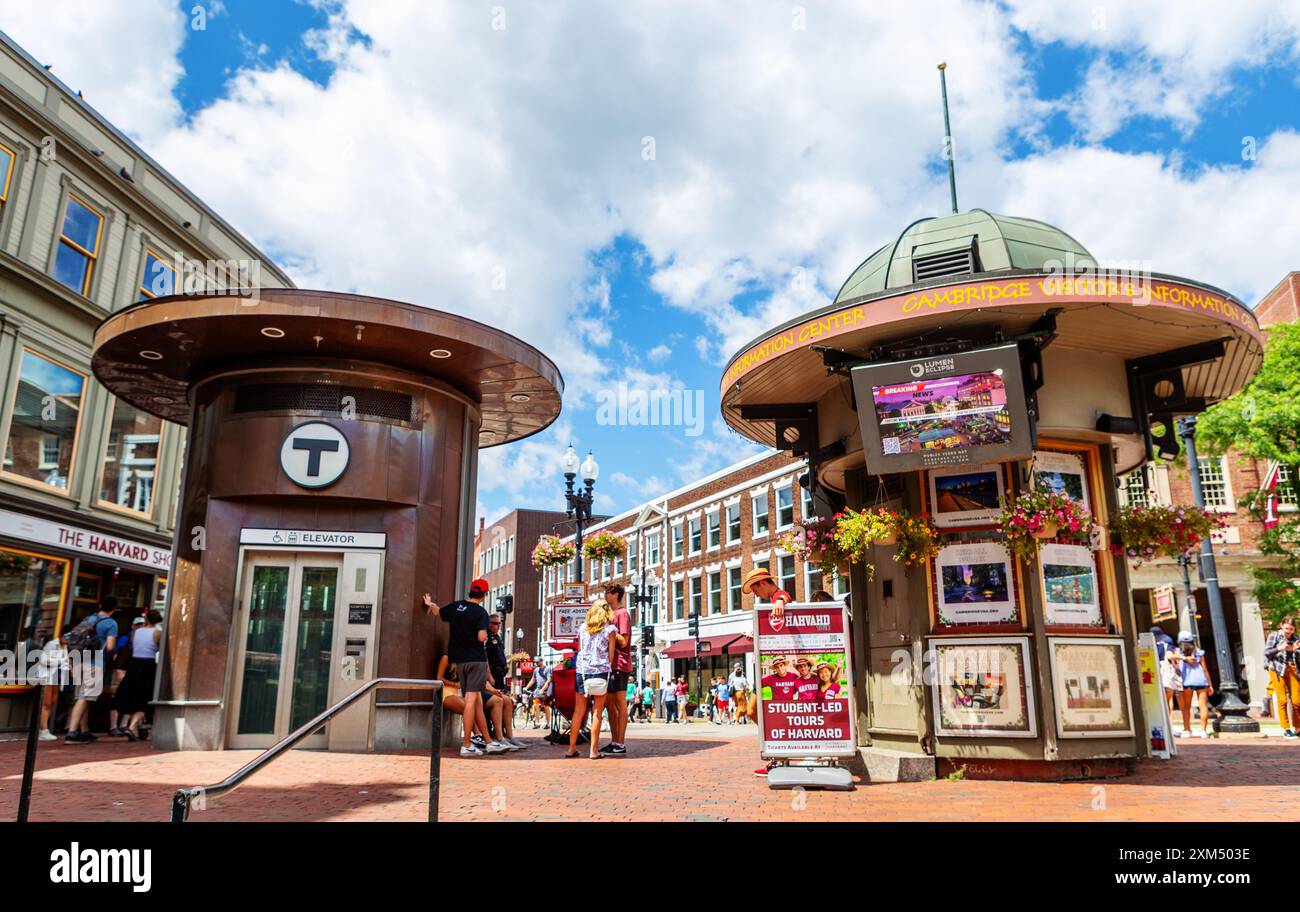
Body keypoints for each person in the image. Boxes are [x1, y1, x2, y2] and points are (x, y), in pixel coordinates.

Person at [423, 579, 506, 757]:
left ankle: (488, 741)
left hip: (460, 660)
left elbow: (438, 612)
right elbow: (482, 637)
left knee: (476, 701)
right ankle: (467, 743)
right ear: (484, 594)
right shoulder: (481, 613)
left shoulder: (456, 606)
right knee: (471, 700)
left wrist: (430, 604)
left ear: (470, 591)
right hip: (475, 660)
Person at [65, 597, 120, 743]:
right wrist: (114, 653)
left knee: (82, 696)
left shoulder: (89, 618)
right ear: (114, 609)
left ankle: (84, 731)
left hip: (78, 660)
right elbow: (109, 646)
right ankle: (71, 732)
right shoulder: (111, 623)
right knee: (85, 697)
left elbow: (71, 637)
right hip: (94, 662)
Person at [568, 599, 617, 759]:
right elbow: (611, 656)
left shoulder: (583, 628)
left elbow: (581, 650)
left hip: (582, 672)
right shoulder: (610, 630)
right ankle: (593, 751)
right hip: (601, 671)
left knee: (578, 711)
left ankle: (571, 748)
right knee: (597, 711)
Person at [437, 656, 518, 753]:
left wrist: (492, 689)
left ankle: (484, 738)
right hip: (447, 692)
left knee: (474, 704)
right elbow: (439, 678)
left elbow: (477, 679)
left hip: (462, 692)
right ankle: (478, 736)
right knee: (468, 706)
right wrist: (454, 685)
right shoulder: (446, 658)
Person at [111, 610, 162, 741]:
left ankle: (132, 727)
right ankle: (133, 726)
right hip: (148, 665)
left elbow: (134, 645)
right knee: (144, 697)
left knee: (131, 694)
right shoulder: (158, 633)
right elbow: (159, 648)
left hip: (134, 664)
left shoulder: (137, 632)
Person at [600, 583, 632, 755]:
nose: (605, 595)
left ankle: (620, 742)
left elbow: (624, 641)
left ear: (616, 595)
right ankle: (614, 741)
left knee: (620, 703)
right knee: (609, 704)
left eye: (608, 593)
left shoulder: (622, 614)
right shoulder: (610, 614)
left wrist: (609, 629)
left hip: (620, 663)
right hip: (609, 664)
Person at [1172, 631, 1214, 738]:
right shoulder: (1199, 653)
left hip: (1187, 681)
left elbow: (1171, 657)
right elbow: (1205, 669)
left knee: (1186, 707)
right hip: (1201, 680)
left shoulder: (1178, 653)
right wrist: (1210, 685)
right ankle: (1203, 731)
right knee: (1203, 706)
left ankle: (1187, 730)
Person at [1265, 617, 1300, 737]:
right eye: (1286, 628)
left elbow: (1297, 656)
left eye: (1291, 629)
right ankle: (1286, 728)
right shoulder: (1274, 636)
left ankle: (1298, 727)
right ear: (1281, 625)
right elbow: (1267, 652)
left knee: (1297, 701)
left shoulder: (1296, 638)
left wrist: (1295, 650)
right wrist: (1279, 648)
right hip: (1277, 668)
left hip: (1292, 668)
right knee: (1282, 700)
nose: (1288, 631)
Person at [524, 658, 553, 729]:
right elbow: (533, 680)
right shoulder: (536, 670)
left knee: (546, 707)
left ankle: (548, 723)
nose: (536, 663)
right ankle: (537, 723)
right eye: (535, 662)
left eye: (537, 662)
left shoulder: (547, 669)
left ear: (541, 661)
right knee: (535, 705)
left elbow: (549, 680)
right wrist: (526, 687)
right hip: (538, 690)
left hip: (546, 691)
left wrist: (543, 689)